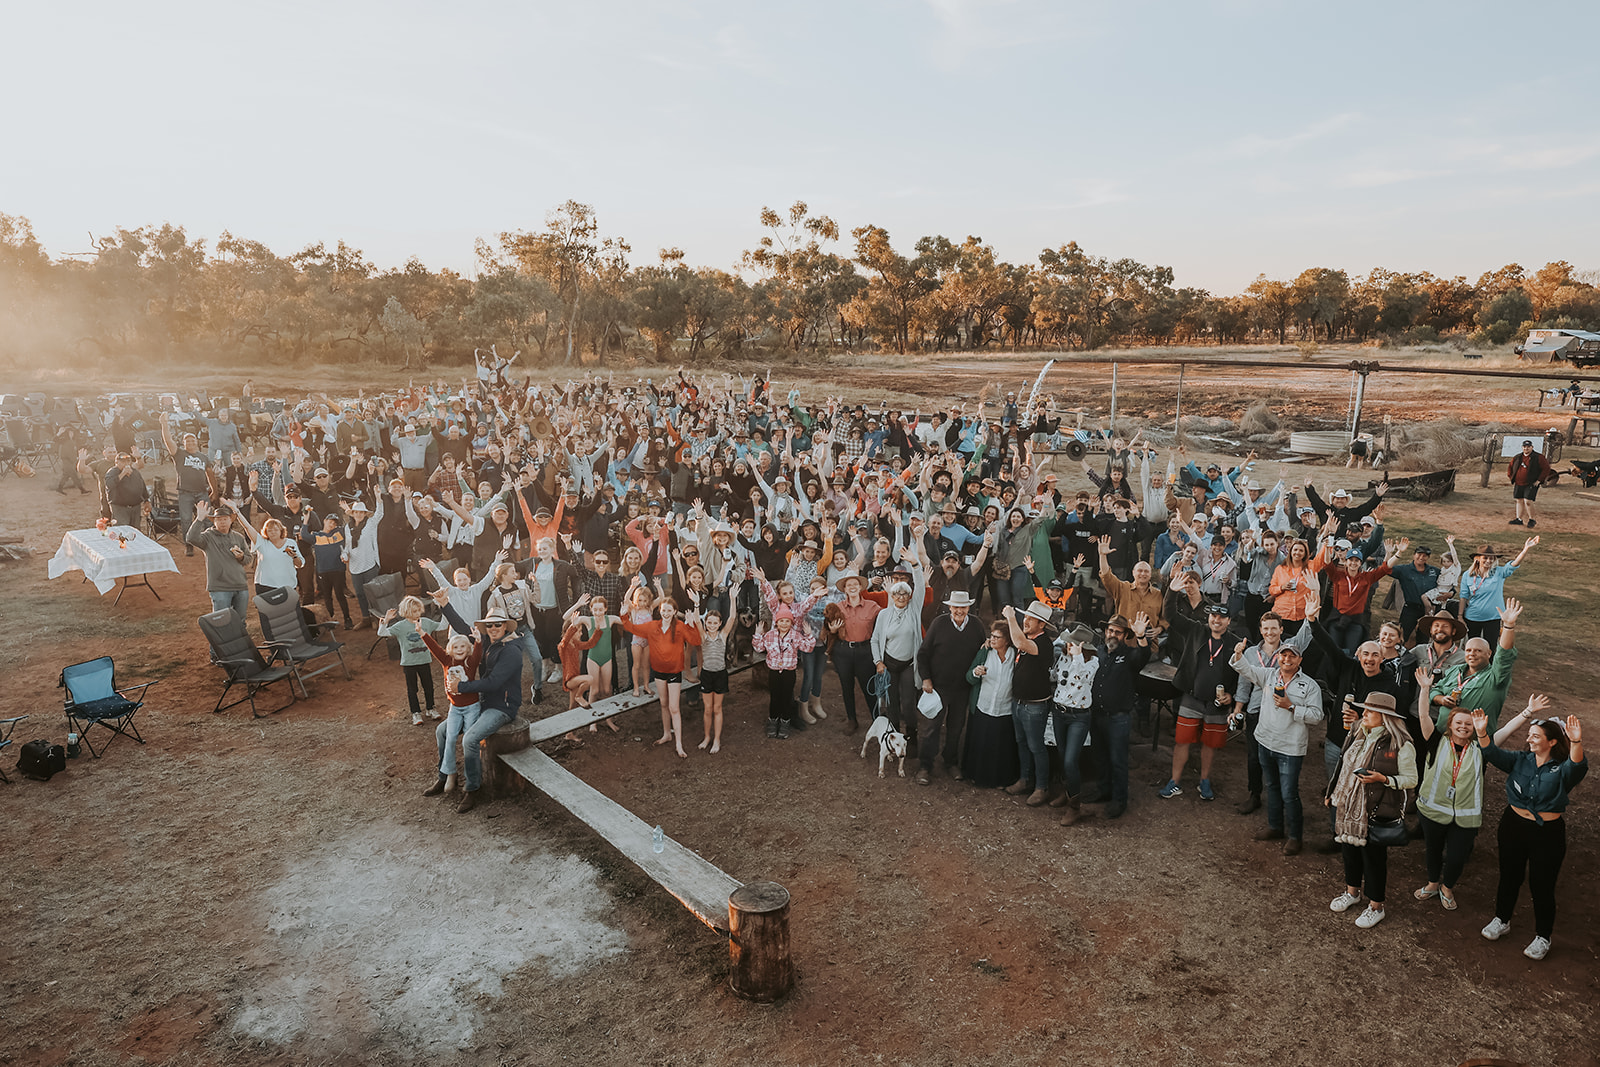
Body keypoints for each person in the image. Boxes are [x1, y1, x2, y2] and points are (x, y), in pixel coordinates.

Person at [1477, 706, 1587, 960]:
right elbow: (1491, 753)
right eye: (1529, 735)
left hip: (1547, 833)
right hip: (1513, 825)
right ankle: (1501, 920)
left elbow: (1577, 765)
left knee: (1542, 885)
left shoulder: (1562, 769)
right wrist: (1482, 733)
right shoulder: (1519, 760)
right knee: (1509, 876)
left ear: (1552, 742)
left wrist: (1577, 741)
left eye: (1535, 736)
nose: (1529, 739)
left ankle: (1542, 937)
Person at [1412, 666, 1504, 912]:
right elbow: (1423, 716)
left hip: (1465, 816)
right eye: (1459, 723)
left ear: (1474, 727)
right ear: (1450, 725)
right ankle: (1433, 883)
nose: (1463, 727)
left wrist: (1527, 713)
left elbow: (1506, 731)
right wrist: (1425, 689)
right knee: (1432, 850)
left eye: (1468, 724)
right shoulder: (1435, 741)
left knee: (1456, 856)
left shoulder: (1482, 749)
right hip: (1432, 811)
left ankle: (1447, 887)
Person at [1324, 692, 1419, 929]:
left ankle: (1376, 906)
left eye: (1369, 711)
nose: (1363, 714)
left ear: (1385, 717)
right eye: (1364, 710)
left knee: (1373, 859)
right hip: (1347, 804)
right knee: (1349, 851)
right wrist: (1331, 792)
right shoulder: (1357, 733)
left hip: (1374, 808)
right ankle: (1352, 892)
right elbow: (1342, 764)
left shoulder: (1400, 744)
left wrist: (1384, 779)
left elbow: (1411, 779)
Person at [1230, 639, 1322, 856]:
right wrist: (1238, 654)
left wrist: (1291, 707)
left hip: (1290, 748)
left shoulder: (1309, 685)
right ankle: (1275, 827)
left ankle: (1295, 837)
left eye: (1292, 656)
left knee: (1289, 793)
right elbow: (1245, 669)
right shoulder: (1270, 675)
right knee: (1271, 786)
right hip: (1265, 741)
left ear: (1300, 659)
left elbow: (1317, 717)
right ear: (1278, 657)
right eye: (1283, 655)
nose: (1287, 659)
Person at [435, 604, 525, 814]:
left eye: (498, 624)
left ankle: (473, 787)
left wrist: (462, 687)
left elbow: (494, 682)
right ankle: (445, 775)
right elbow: (461, 625)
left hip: (502, 707)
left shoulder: (511, 651)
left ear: (505, 627)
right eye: (489, 625)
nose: (493, 628)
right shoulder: (485, 642)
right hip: (481, 704)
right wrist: (445, 605)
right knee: (441, 731)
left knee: (470, 739)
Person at [1160, 603, 1240, 802]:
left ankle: (1204, 781)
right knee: (1182, 741)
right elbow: (1169, 613)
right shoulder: (1196, 630)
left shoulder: (1236, 643)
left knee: (1210, 745)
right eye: (1213, 615)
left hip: (1217, 704)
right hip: (1192, 698)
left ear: (1229, 621)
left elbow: (1243, 676)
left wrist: (1232, 695)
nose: (1216, 620)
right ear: (1208, 618)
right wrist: (1172, 591)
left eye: (1222, 617)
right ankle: (1174, 781)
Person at [620, 577, 701, 757]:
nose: (665, 613)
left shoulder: (679, 626)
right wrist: (624, 614)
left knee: (674, 707)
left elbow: (696, 640)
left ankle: (679, 744)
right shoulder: (652, 626)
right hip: (659, 672)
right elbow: (631, 628)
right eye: (663, 610)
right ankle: (666, 734)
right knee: (663, 704)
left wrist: (691, 623)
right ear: (660, 610)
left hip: (674, 673)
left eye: (669, 611)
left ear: (674, 612)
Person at [917, 588, 989, 784]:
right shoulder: (939, 623)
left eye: (963, 607)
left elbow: (984, 651)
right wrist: (926, 678)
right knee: (931, 727)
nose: (959, 610)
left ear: (969, 607)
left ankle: (951, 762)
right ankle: (925, 766)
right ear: (950, 607)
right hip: (938, 687)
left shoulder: (976, 625)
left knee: (956, 728)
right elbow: (923, 654)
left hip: (963, 687)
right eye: (956, 607)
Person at [1089, 612, 1151, 820]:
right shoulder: (1098, 652)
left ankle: (1119, 800)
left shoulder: (1130, 655)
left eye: (1117, 631)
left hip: (1118, 717)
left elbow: (1144, 656)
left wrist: (1142, 637)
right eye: (1110, 630)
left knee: (1118, 760)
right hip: (1097, 714)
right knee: (1100, 757)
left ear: (1125, 635)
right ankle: (1103, 790)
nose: (1112, 634)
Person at [419, 609, 482, 798]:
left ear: (468, 648)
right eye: (456, 647)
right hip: (455, 708)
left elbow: (478, 655)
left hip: (472, 708)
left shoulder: (470, 662)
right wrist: (423, 634)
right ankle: (449, 775)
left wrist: (478, 640)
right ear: (450, 650)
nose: (460, 649)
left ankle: (471, 779)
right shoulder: (446, 661)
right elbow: (435, 648)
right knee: (450, 737)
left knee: (469, 741)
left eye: (464, 646)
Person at [998, 601, 1056, 803]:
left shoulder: (1044, 644)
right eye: (1026, 617)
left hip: (1035, 705)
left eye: (1032, 619)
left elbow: (1020, 643)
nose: (1026, 621)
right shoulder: (1028, 637)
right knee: (1022, 742)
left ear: (1042, 625)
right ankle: (1025, 779)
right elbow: (1018, 641)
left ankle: (1042, 787)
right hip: (1019, 702)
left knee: (1036, 746)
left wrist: (1011, 618)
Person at [1049, 623, 1100, 825]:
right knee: (1062, 755)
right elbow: (1055, 676)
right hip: (1059, 712)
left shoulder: (1092, 662)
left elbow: (1082, 678)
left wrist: (1077, 656)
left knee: (1071, 759)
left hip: (1079, 716)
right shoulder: (1064, 656)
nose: (1068, 646)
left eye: (1073, 644)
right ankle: (1066, 791)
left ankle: (1075, 807)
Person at [962, 621, 1020, 788]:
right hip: (983, 706)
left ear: (1007, 640)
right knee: (980, 743)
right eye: (991, 636)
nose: (992, 639)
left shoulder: (1015, 656)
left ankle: (1000, 780)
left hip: (1004, 710)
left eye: (997, 637)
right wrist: (975, 672)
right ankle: (976, 776)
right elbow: (968, 677)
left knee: (1000, 748)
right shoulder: (985, 652)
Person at [378, 595, 448, 726]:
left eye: (418, 610)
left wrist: (444, 608)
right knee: (412, 689)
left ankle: (430, 708)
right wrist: (385, 621)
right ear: (406, 612)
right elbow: (382, 633)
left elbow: (443, 625)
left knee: (428, 686)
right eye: (413, 611)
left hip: (424, 660)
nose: (417, 614)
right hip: (409, 663)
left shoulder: (425, 622)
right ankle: (415, 713)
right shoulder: (400, 626)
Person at [1458, 537, 1537, 646]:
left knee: (1491, 647)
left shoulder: (1499, 572)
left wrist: (1525, 549)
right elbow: (1463, 596)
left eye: (1491, 558)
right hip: (1473, 617)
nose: (1488, 561)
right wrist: (1460, 616)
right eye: (1485, 558)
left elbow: (1514, 564)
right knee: (1473, 646)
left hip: (1493, 617)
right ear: (1477, 558)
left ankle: (1491, 664)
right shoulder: (1468, 575)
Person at [756, 606, 815, 740]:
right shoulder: (770, 635)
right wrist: (758, 634)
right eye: (781, 621)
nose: (784, 624)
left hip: (789, 672)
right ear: (776, 622)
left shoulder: (795, 635)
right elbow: (759, 648)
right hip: (774, 672)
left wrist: (808, 635)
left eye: (787, 621)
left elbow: (808, 648)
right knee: (775, 697)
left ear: (791, 623)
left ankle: (785, 721)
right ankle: (773, 720)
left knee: (787, 697)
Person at [186, 500, 252, 617]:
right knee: (221, 621)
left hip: (240, 586)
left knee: (240, 621)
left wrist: (241, 557)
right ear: (214, 522)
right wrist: (199, 518)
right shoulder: (208, 537)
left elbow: (248, 559)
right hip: (220, 588)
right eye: (219, 519)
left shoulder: (239, 537)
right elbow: (191, 538)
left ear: (231, 520)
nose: (222, 522)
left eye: (225, 519)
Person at [1506, 439, 1550, 528]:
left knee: (1528, 501)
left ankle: (1532, 519)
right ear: (1522, 447)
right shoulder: (1517, 457)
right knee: (1519, 500)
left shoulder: (1538, 457)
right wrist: (1511, 477)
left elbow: (1546, 469)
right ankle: (1519, 519)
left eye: (1528, 447)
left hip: (1531, 483)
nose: (1526, 448)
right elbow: (1510, 467)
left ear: (1532, 447)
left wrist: (1539, 480)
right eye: (1524, 447)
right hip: (1518, 483)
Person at [103, 451, 148, 528]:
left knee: (135, 530)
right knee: (122, 530)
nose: (126, 463)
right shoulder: (112, 472)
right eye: (123, 461)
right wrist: (123, 474)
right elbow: (109, 485)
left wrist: (146, 500)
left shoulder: (135, 472)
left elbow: (142, 486)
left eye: (128, 461)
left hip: (135, 507)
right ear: (116, 462)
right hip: (120, 508)